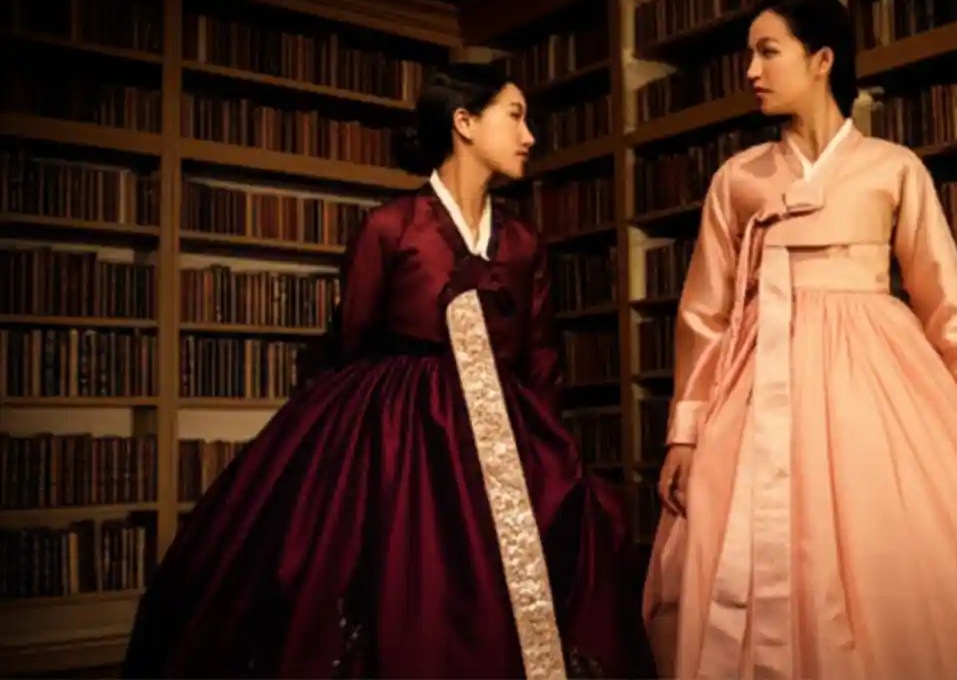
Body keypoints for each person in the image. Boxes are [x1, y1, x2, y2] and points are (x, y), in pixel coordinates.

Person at [641, 0, 957, 680]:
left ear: (822, 59)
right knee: (743, 541)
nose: (751, 71)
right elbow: (705, 313)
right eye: (750, 55)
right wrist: (685, 430)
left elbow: (946, 303)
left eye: (769, 52)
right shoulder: (736, 178)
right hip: (756, 381)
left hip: (877, 384)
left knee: (884, 549)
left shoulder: (894, 167)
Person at [123, 63, 649, 679]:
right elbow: (353, 340)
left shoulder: (524, 241)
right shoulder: (391, 226)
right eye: (515, 115)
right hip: (404, 435)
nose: (529, 135)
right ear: (464, 122)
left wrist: (548, 453)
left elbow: (539, 358)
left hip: (509, 435)